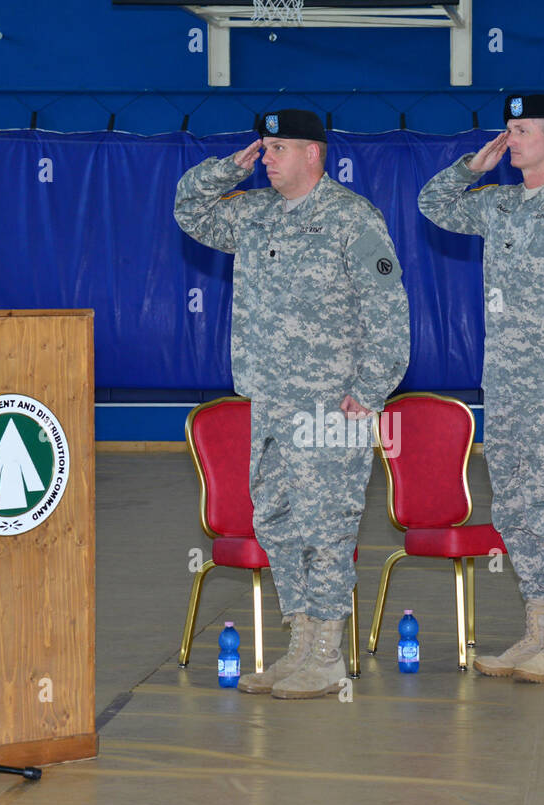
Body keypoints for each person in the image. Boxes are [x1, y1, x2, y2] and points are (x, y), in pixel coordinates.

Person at [174, 108, 411, 698]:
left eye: (279, 147)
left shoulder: (352, 219)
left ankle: (328, 652)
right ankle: (300, 643)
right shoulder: (254, 216)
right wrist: (228, 169)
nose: (268, 157)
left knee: (325, 525)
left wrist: (371, 390)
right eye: (263, 147)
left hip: (333, 405)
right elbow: (189, 211)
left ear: (314, 154)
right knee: (277, 520)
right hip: (271, 401)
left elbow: (389, 312)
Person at [418, 94, 544, 682]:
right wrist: (470, 169)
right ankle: (535, 627)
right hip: (504, 391)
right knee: (514, 510)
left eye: (523, 130)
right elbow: (432, 204)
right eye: (508, 129)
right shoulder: (498, 206)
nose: (513, 139)